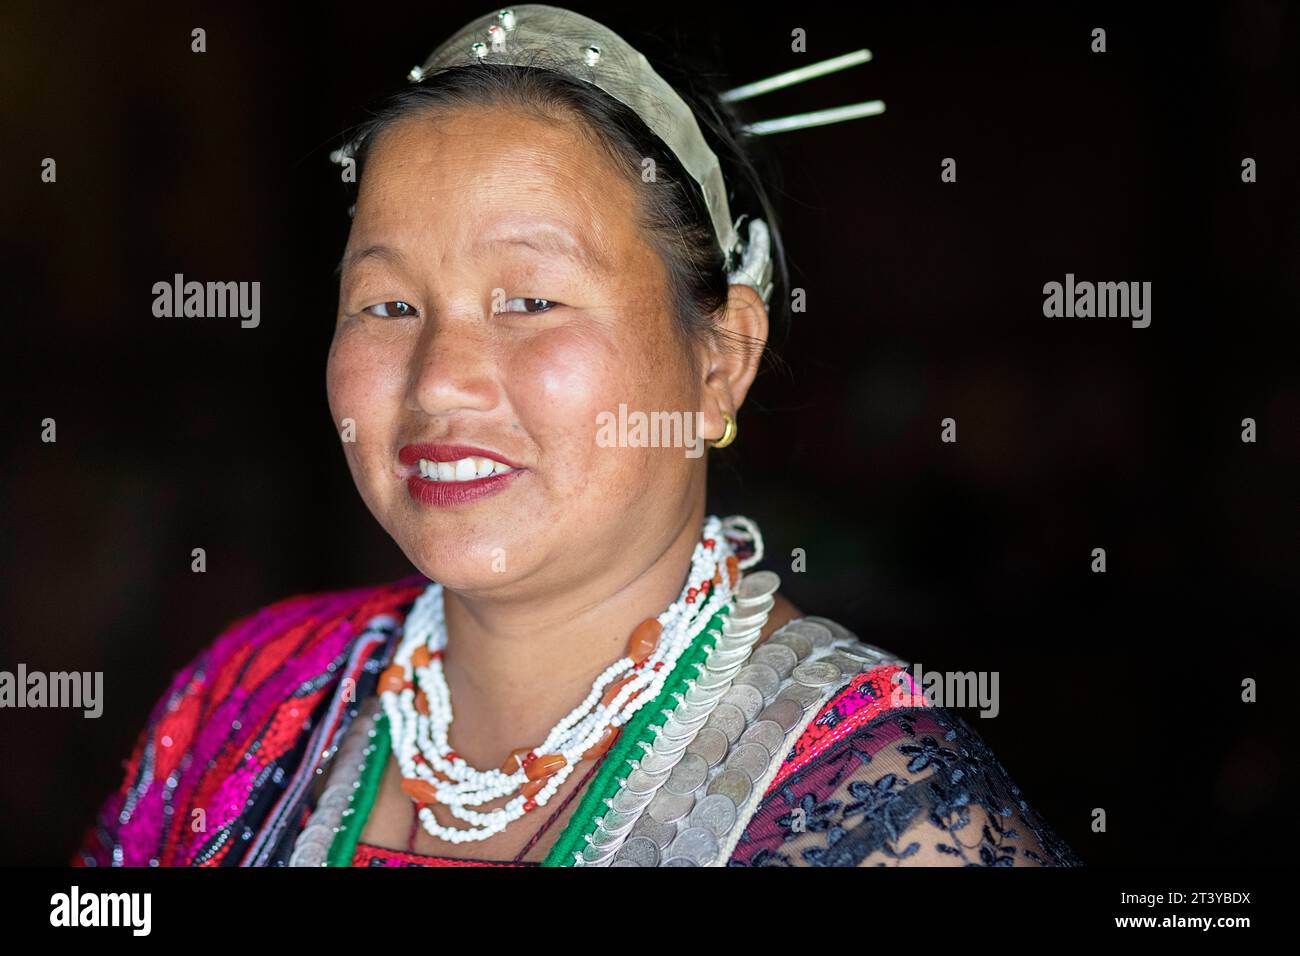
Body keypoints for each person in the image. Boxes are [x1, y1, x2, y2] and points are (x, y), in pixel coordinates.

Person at [73, 5, 1080, 868]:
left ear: (719, 356)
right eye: (384, 305)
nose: (440, 378)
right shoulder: (245, 694)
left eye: (529, 298)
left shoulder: (892, 815)